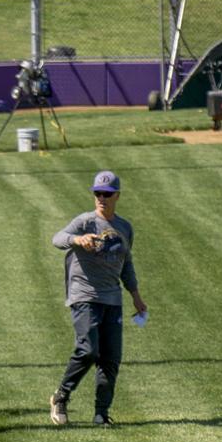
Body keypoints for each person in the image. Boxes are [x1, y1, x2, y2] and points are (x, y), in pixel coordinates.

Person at [49, 171, 147, 428]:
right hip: (84, 295)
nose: (101, 198)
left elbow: (127, 263)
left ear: (117, 196)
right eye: (97, 193)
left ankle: (101, 414)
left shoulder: (124, 227)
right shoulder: (84, 222)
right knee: (88, 349)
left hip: (112, 298)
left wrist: (136, 296)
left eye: (107, 194)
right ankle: (61, 396)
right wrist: (77, 240)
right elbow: (57, 239)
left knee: (110, 358)